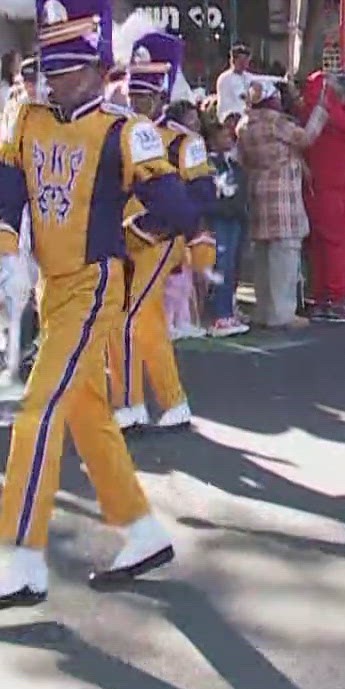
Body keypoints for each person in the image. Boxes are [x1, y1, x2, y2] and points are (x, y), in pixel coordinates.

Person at [0, 0, 199, 613]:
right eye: (49, 72)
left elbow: (180, 209)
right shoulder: (27, 119)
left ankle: (22, 561)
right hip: (51, 286)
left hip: (93, 287)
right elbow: (6, 191)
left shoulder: (126, 129)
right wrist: (5, 254)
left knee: (36, 414)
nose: (57, 85)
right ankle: (141, 532)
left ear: (100, 69)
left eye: (71, 72)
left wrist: (122, 232)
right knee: (86, 413)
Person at [107, 26, 208, 432]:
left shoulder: (184, 143)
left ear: (163, 94)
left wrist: (155, 226)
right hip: (119, 239)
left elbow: (200, 198)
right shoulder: (120, 132)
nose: (138, 103)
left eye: (146, 96)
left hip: (159, 241)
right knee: (144, 322)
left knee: (127, 319)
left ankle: (129, 406)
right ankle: (173, 400)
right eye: (134, 95)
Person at [237, 83, 318, 329]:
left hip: (258, 191)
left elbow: (243, 159)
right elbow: (307, 138)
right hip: (283, 195)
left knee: (263, 257)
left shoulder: (244, 126)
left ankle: (264, 310)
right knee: (285, 256)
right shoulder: (277, 123)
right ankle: (283, 313)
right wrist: (321, 112)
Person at [301, 70, 345, 321]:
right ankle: (337, 301)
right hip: (336, 190)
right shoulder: (329, 113)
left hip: (317, 189)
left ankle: (321, 299)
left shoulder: (310, 114)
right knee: (339, 247)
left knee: (320, 247)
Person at [201, 118, 250, 336]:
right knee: (220, 265)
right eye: (223, 136)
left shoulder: (232, 164)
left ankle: (228, 310)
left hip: (235, 218)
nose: (229, 138)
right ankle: (218, 315)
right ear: (211, 141)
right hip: (219, 219)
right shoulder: (209, 165)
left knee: (232, 265)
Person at [213, 44, 255, 126]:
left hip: (243, 117)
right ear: (233, 61)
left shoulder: (247, 76)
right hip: (229, 118)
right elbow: (243, 96)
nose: (244, 64)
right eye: (241, 61)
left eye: (246, 61)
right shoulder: (225, 77)